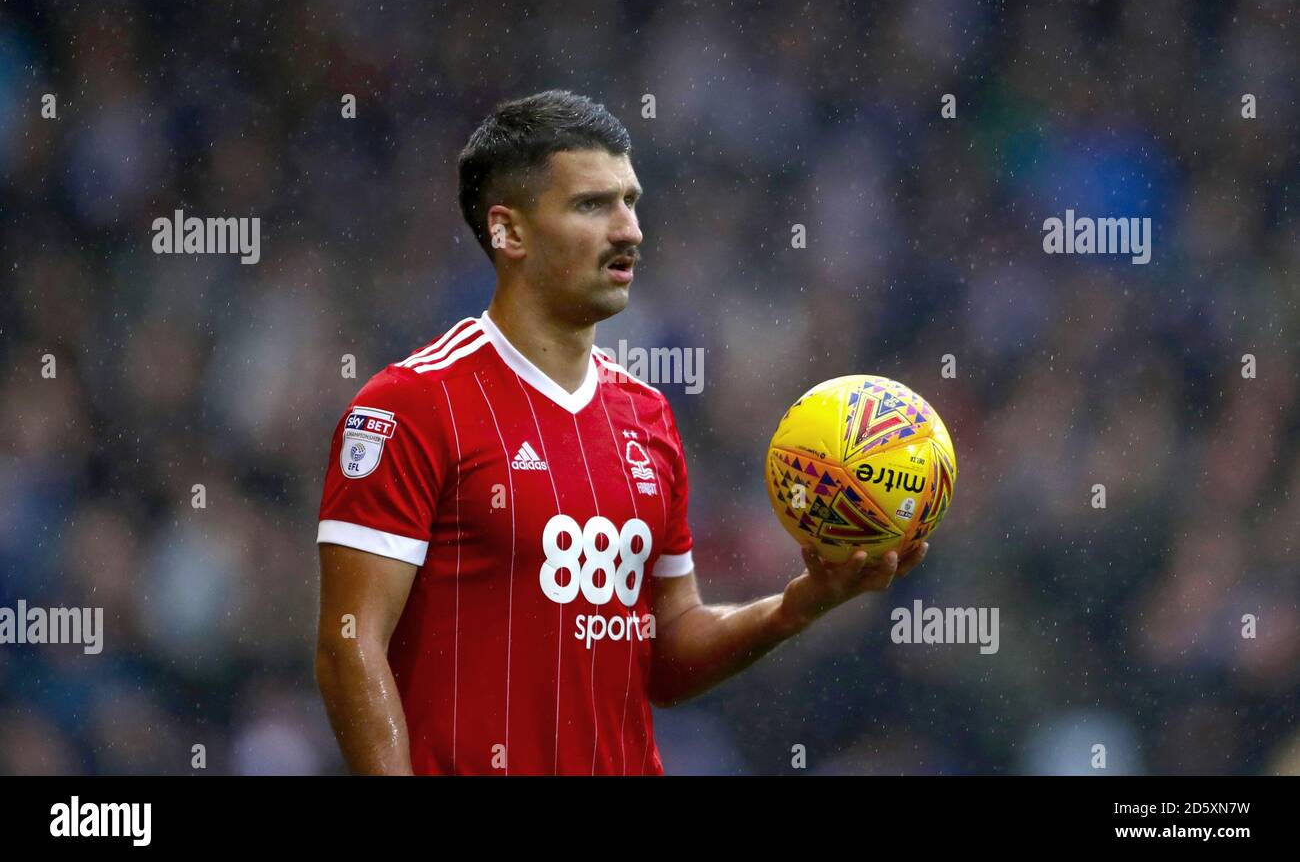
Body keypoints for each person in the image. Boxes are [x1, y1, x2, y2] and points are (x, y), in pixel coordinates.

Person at [313, 89, 928, 775]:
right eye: (591, 205)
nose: (628, 229)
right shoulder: (413, 405)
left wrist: (796, 607)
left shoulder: (647, 416)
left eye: (630, 201)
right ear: (508, 232)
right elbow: (349, 645)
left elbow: (666, 653)